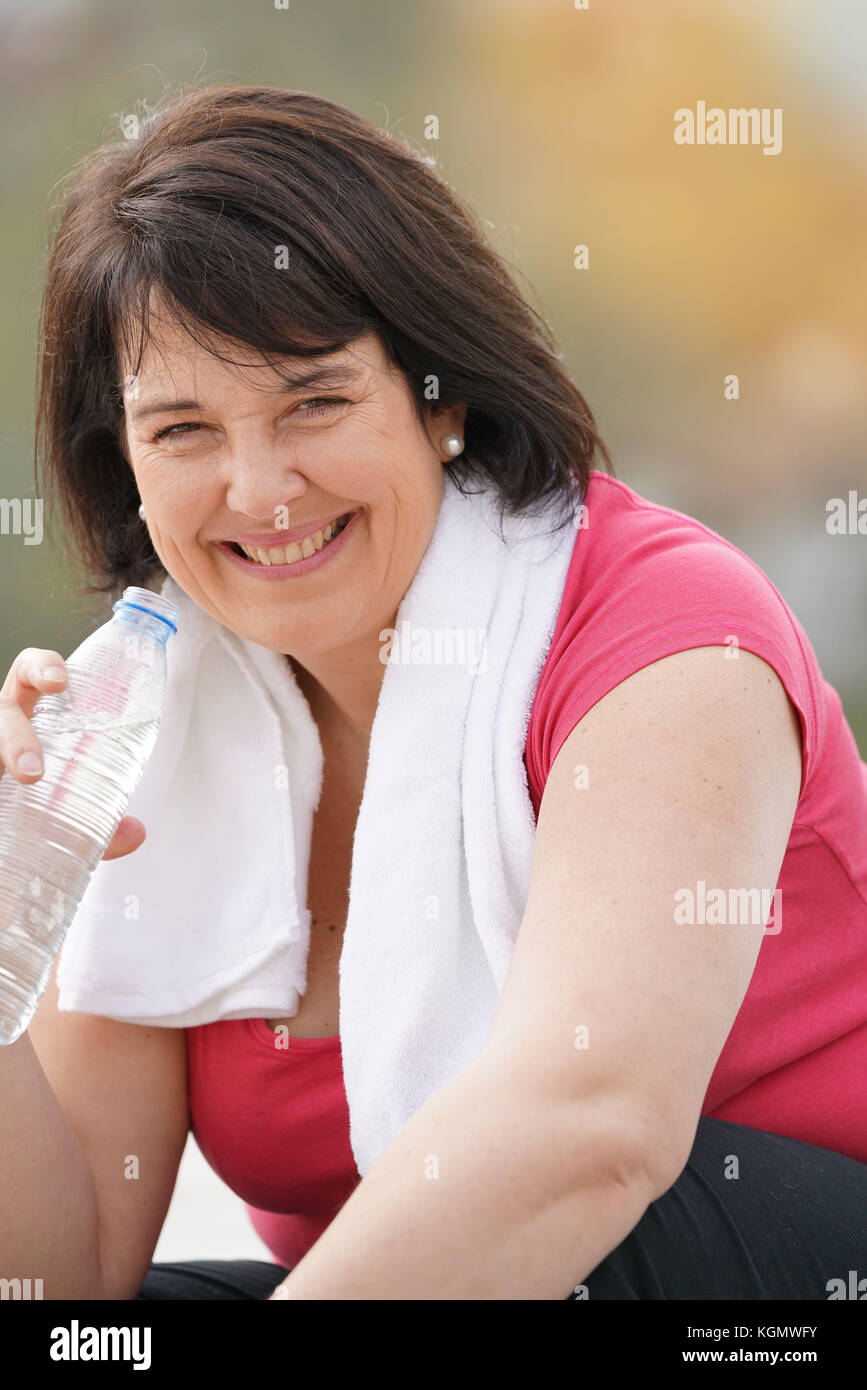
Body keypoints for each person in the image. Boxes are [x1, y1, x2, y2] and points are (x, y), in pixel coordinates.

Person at [2, 82, 865, 1301]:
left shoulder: (668, 634)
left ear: (440, 398)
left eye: (314, 400)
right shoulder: (148, 723)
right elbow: (63, 1280)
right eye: (183, 430)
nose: (258, 488)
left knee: (597, 1237)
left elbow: (589, 1130)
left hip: (769, 1275)